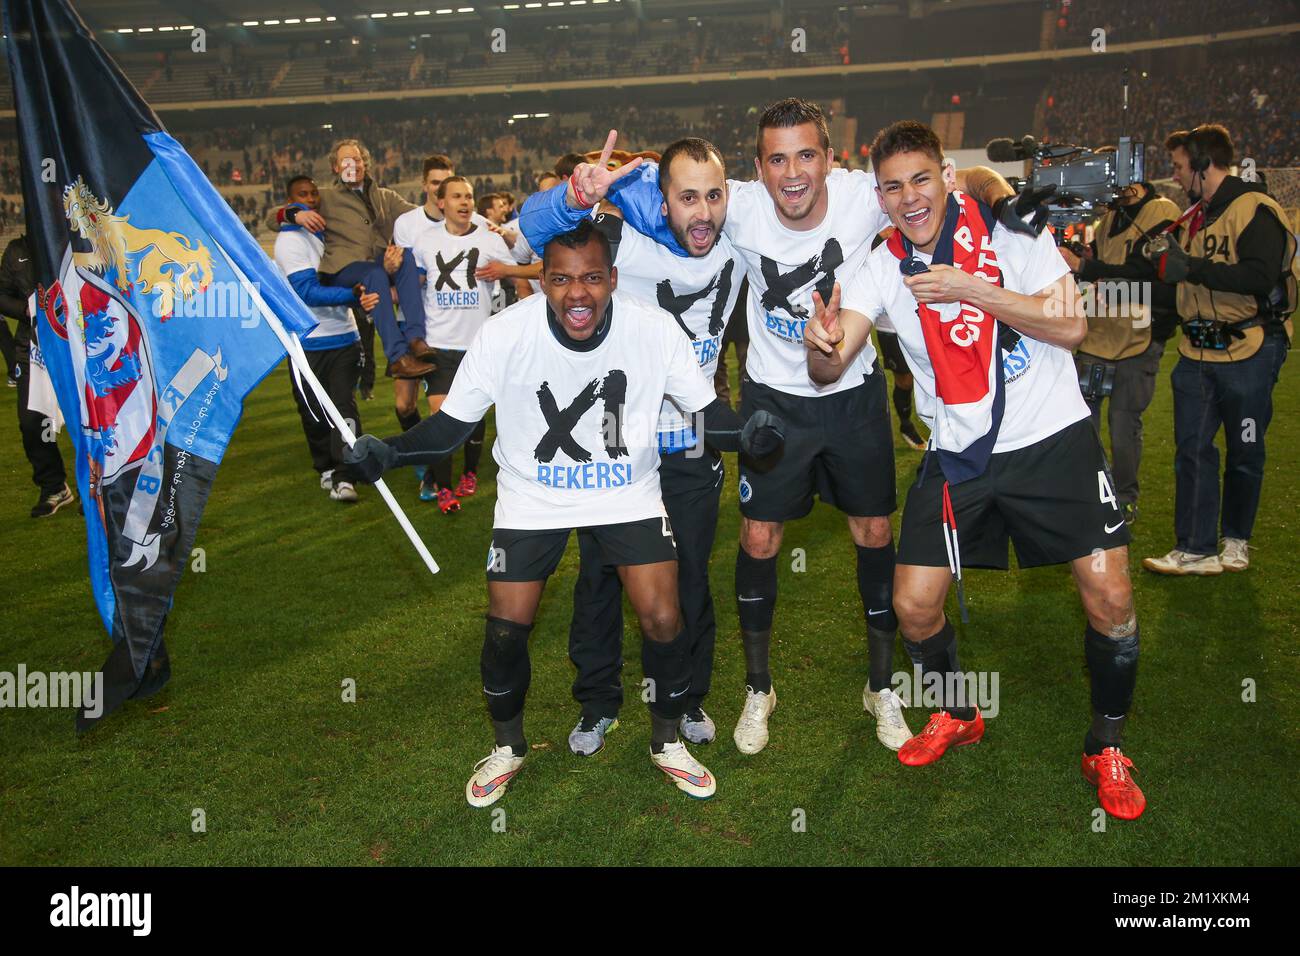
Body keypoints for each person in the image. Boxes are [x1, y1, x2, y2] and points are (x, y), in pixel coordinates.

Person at [598, 99, 1038, 755]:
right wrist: (606, 181)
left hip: (853, 393)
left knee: (874, 530)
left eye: (807, 155)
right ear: (759, 167)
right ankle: (758, 688)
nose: (794, 172)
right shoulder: (736, 204)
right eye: (778, 158)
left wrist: (1012, 212)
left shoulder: (866, 195)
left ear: (832, 159)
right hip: (774, 399)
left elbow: (962, 180)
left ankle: (882, 686)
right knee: (760, 537)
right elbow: (654, 200)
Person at [344, 221, 784, 807]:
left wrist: (748, 435)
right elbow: (453, 427)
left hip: (626, 492)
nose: (578, 294)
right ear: (543, 281)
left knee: (662, 617)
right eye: (561, 279)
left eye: (592, 278)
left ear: (613, 279)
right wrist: (390, 453)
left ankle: (665, 740)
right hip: (532, 497)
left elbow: (708, 415)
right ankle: (508, 748)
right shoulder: (505, 333)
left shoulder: (653, 330)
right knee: (505, 630)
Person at [817, 120, 1145, 820]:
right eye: (893, 186)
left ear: (946, 177)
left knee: (1112, 600)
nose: (910, 197)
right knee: (913, 605)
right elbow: (833, 354)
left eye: (921, 178)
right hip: (959, 452)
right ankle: (959, 709)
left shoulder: (1010, 233)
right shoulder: (882, 264)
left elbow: (1072, 326)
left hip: (1053, 440)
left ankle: (1106, 743)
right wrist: (822, 345)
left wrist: (973, 290)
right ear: (881, 195)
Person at [519, 134, 745, 756]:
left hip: (695, 435)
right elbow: (531, 231)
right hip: (619, 437)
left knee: (690, 577)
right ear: (660, 199)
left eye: (713, 195)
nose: (702, 211)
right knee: (602, 575)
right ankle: (597, 702)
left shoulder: (740, 233)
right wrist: (574, 195)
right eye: (685, 197)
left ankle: (687, 694)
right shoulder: (624, 239)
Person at [1143, 125, 1296, 575]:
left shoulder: (1257, 209)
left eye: (1178, 166)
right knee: (1191, 449)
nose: (1174, 175)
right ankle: (1195, 546)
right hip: (1197, 349)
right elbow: (1183, 280)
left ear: (1203, 165)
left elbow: (1258, 277)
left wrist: (1194, 267)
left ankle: (1236, 539)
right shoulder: (1194, 216)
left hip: (1249, 345)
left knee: (1245, 448)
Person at [1059, 165, 1182, 525]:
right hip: (1100, 330)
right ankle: (1092, 491)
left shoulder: (1162, 213)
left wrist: (1085, 264)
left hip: (1138, 334)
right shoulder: (1110, 216)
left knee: (1124, 422)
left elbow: (1145, 272)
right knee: (1086, 420)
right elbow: (1100, 265)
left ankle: (1125, 498)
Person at [269, 139, 434, 379]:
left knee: (405, 257)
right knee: (375, 273)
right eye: (345, 160)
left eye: (356, 159)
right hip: (343, 270)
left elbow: (421, 217)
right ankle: (398, 356)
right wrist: (297, 214)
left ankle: (416, 338)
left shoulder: (386, 197)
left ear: (365, 164)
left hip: (375, 266)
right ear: (336, 168)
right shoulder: (325, 198)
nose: (352, 164)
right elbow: (272, 217)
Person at [408, 176, 517, 511]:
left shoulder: (490, 240)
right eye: (456, 196)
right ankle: (443, 488)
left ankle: (469, 472)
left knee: (472, 417)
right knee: (441, 418)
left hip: (477, 346)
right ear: (441, 202)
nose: (465, 202)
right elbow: (412, 286)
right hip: (438, 346)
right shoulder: (425, 241)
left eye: (468, 196)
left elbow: (516, 276)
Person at [273, 175, 377, 504]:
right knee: (312, 412)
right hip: (306, 344)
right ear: (291, 202)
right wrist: (352, 295)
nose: (312, 199)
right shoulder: (290, 241)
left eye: (315, 193)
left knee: (344, 407)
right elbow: (306, 291)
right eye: (302, 196)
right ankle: (326, 469)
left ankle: (346, 474)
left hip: (344, 338)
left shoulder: (327, 233)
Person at [0, 234, 74, 517]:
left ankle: (93, 485)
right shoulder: (17, 250)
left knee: (85, 419)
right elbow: (2, 293)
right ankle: (54, 486)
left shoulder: (72, 239)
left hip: (76, 348)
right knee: (32, 423)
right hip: (30, 350)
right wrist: (27, 310)